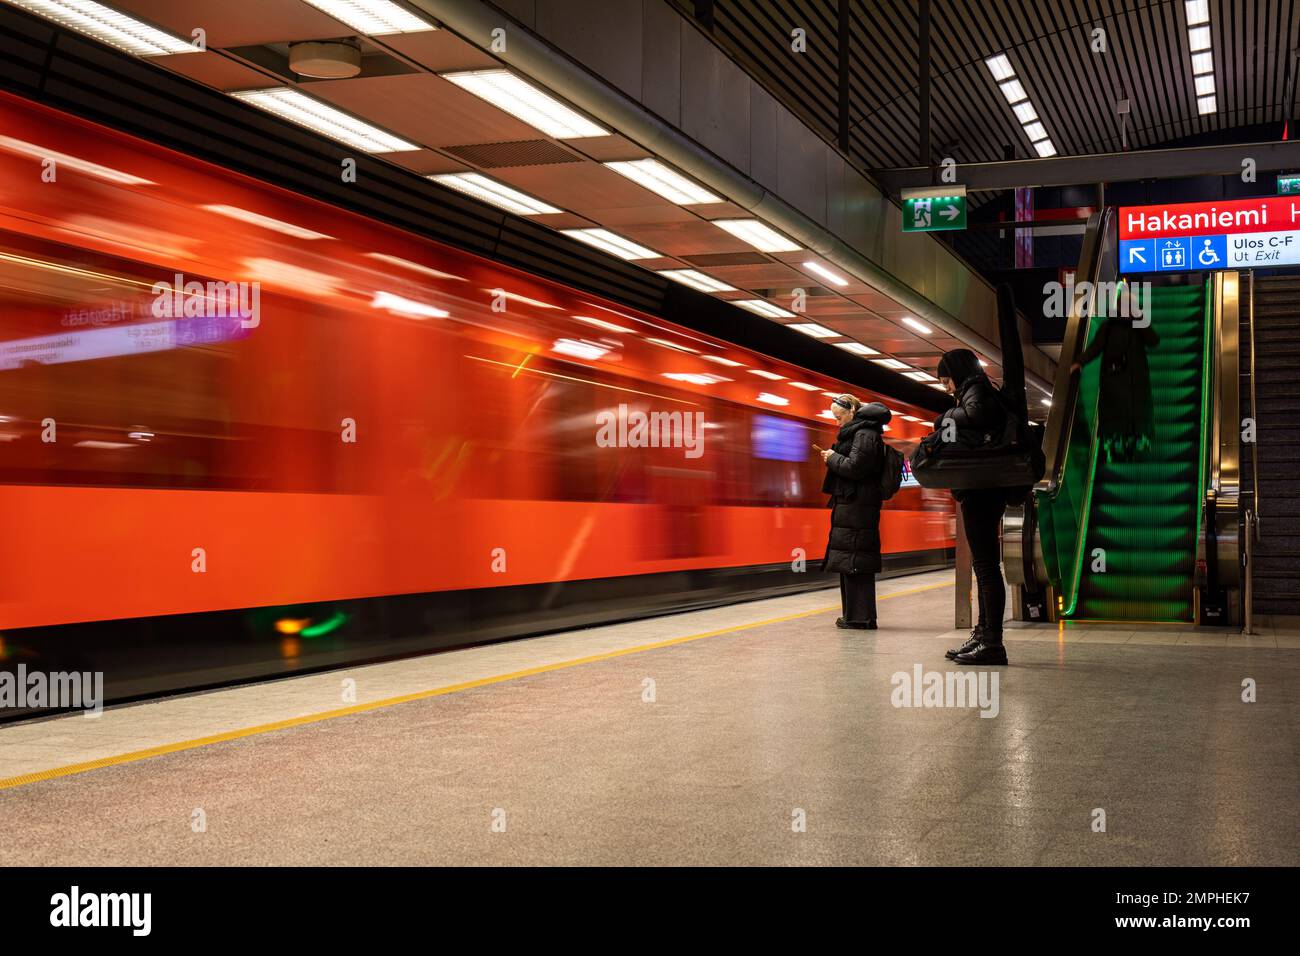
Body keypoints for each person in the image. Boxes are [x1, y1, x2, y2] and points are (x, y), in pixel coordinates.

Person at [936, 349, 1011, 665]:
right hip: (982, 489)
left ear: (956, 372)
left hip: (983, 489)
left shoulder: (976, 389)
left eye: (945, 380)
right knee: (985, 567)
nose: (946, 387)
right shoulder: (976, 390)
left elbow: (976, 416)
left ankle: (992, 643)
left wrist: (945, 418)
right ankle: (982, 635)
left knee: (987, 567)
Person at [820, 394, 889, 630]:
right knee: (850, 561)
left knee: (855, 561)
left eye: (839, 418)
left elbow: (857, 467)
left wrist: (833, 457)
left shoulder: (865, 434)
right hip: (853, 504)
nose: (837, 423)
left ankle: (860, 617)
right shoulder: (861, 433)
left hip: (859, 505)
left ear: (851, 411)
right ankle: (853, 615)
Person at [1069, 306, 1160, 463]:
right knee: (1117, 418)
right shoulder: (1108, 326)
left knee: (1134, 416)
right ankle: (1117, 451)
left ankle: (1135, 450)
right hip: (1115, 382)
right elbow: (1095, 347)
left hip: (1136, 384)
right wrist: (1080, 361)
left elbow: (1153, 340)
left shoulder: (1138, 325)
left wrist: (1139, 319)